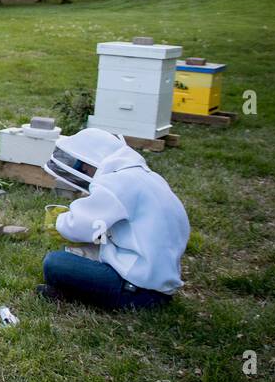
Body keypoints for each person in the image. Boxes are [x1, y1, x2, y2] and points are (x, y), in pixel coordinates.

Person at [38, 128, 189, 309]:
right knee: (76, 251)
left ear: (94, 158)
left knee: (55, 263)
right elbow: (106, 229)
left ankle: (81, 292)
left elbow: (79, 226)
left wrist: (59, 221)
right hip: (157, 279)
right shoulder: (147, 177)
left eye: (84, 163)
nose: (84, 168)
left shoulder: (116, 183)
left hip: (139, 291)